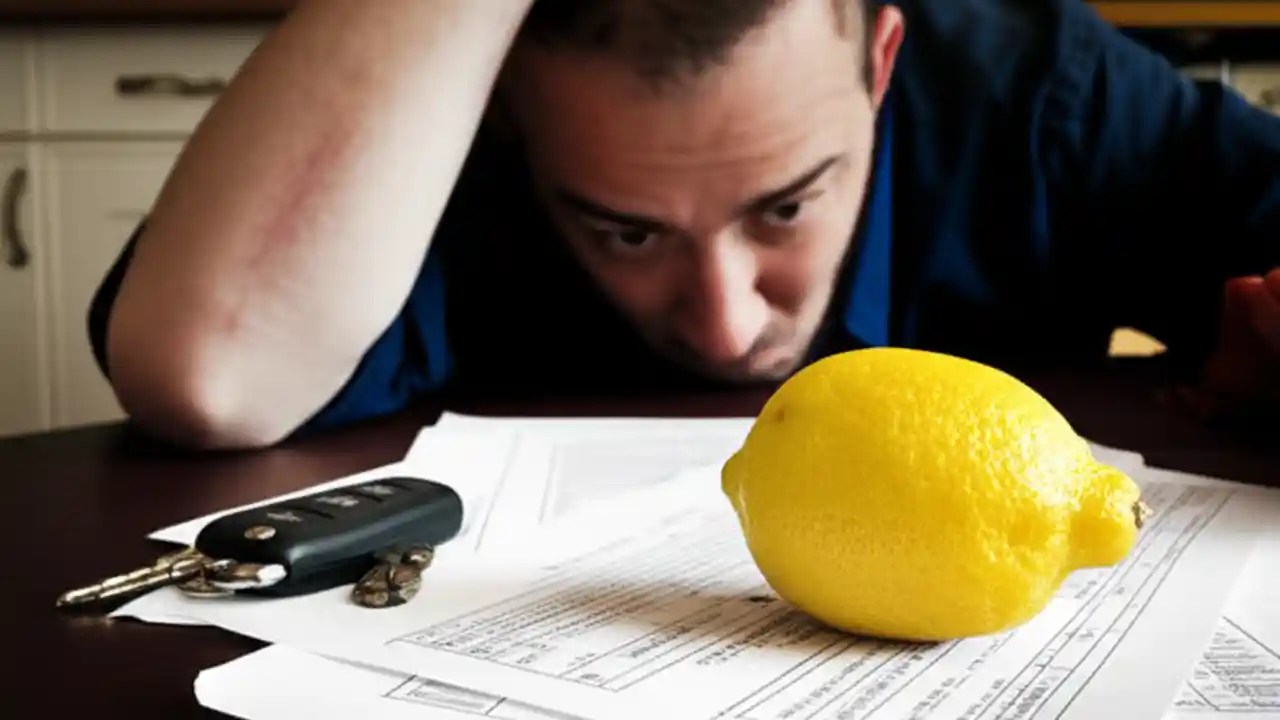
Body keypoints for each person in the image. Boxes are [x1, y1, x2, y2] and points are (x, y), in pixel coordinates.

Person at [86, 0, 1280, 449]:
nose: (723, 327)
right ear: (505, 114)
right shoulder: (444, 142)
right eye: (625, 232)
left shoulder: (1034, 95)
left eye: (786, 206)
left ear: (880, 61)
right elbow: (209, 374)